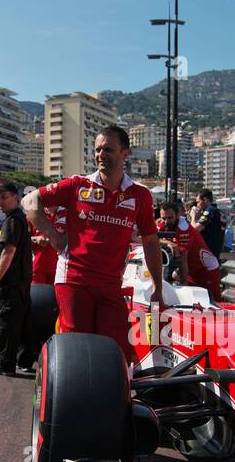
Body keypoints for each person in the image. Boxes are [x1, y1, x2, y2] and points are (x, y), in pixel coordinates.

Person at [22, 125, 165, 363]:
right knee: (77, 350)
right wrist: (53, 237)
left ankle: (115, 398)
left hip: (110, 285)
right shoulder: (77, 185)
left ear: (125, 154)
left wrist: (158, 289)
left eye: (108, 149)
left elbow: (151, 242)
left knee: (117, 350)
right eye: (98, 150)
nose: (100, 155)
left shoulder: (140, 194)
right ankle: (73, 397)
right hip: (74, 280)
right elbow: (29, 200)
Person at [0, 182, 35, 375]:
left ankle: (6, 364)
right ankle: (23, 359)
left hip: (10, 283)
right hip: (19, 281)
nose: (0, 201)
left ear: (16, 197)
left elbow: (8, 251)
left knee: (6, 323)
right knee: (20, 322)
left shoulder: (13, 221)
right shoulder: (18, 218)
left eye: (4, 197)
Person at [161, 199, 222, 303]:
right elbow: (152, 237)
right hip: (192, 268)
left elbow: (183, 260)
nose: (166, 221)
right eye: (164, 218)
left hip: (207, 269)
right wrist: (169, 243)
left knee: (214, 303)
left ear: (177, 215)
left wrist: (184, 290)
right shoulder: (164, 223)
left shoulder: (184, 229)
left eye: (170, 218)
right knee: (175, 278)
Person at [29, 204, 66, 286]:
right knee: (38, 298)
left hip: (61, 270)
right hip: (37, 270)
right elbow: (21, 240)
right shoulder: (33, 213)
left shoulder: (67, 213)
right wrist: (35, 240)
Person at [190, 189, 225, 263]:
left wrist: (193, 216)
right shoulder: (219, 212)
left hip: (206, 253)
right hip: (215, 252)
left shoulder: (210, 210)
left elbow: (195, 229)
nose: (197, 205)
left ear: (205, 200)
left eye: (198, 202)